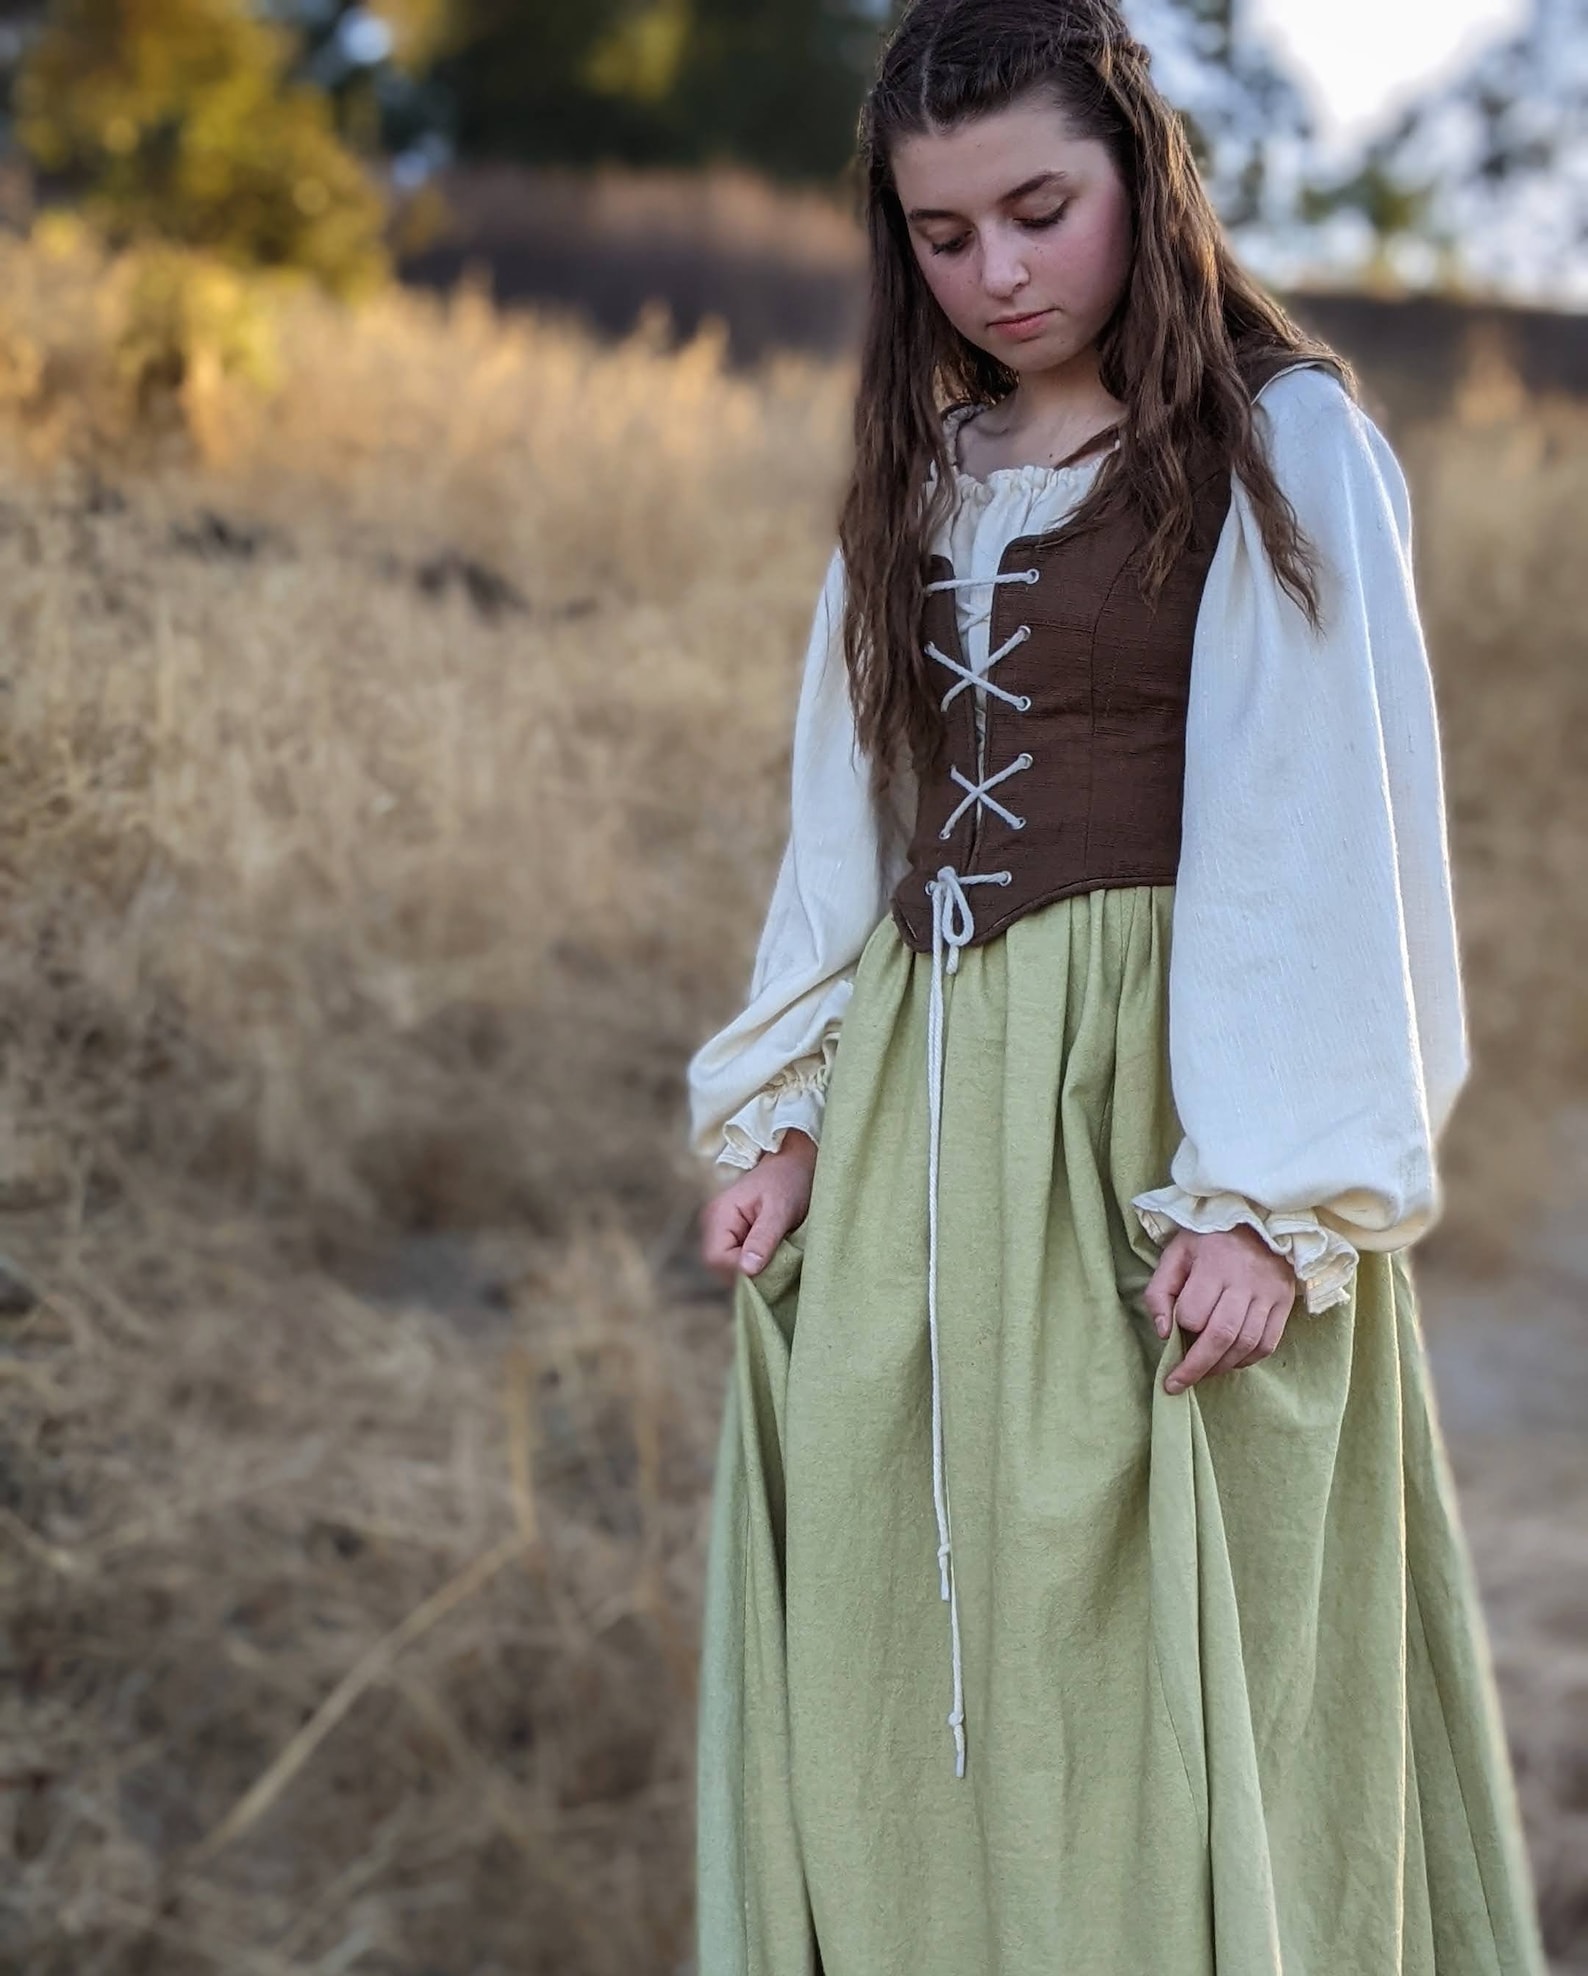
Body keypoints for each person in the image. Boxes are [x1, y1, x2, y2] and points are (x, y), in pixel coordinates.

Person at [684, 1, 1548, 1969]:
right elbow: (854, 806)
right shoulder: (918, 464)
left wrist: (1265, 1194)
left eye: (1035, 209)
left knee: (1164, 1637)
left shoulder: (1276, 436)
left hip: (1162, 1097)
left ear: (1140, 177)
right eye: (939, 232)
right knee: (929, 1620)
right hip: (923, 1096)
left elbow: (1327, 820)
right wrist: (792, 1107)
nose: (991, 272)